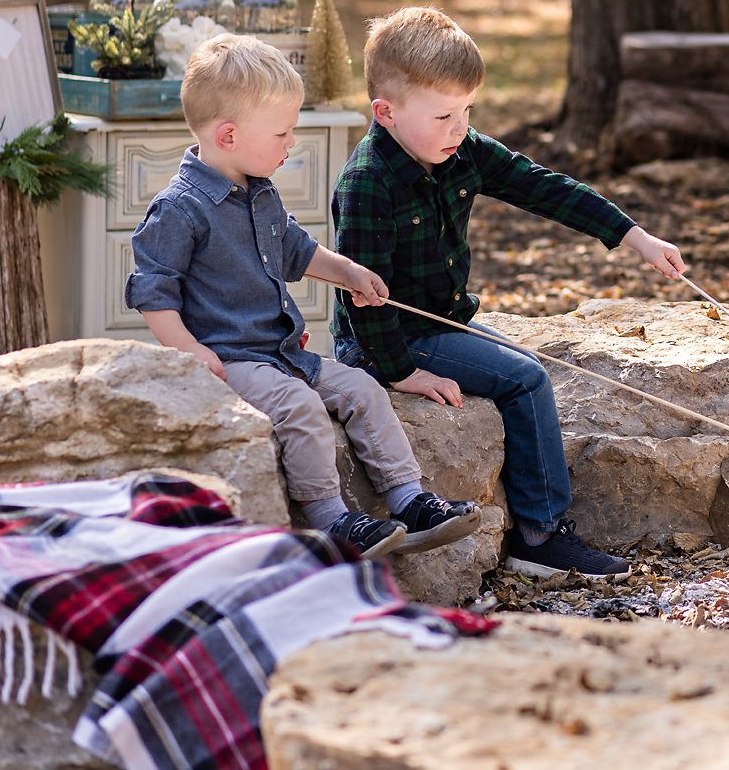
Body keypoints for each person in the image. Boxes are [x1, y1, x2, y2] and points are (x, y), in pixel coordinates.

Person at [332, 7, 686, 581]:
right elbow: (360, 295)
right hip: (390, 338)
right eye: (444, 114)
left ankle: (540, 526)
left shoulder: (461, 150)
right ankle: (541, 536)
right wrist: (400, 372)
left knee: (521, 363)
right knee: (527, 379)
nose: (458, 127)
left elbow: (541, 186)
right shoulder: (367, 182)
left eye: (467, 110)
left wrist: (632, 236)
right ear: (386, 112)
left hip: (445, 321)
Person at [127, 35, 483, 558]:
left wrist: (351, 274)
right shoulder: (178, 209)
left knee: (363, 389)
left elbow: (298, 250)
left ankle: (407, 496)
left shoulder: (259, 191)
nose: (291, 143)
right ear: (228, 135)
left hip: (287, 353)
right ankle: (330, 518)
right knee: (300, 410)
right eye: (282, 132)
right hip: (234, 359)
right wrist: (187, 351)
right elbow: (153, 289)